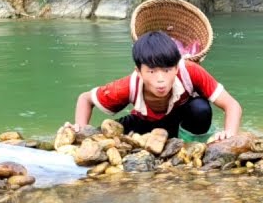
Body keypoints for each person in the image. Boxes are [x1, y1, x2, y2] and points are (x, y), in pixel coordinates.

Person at [69, 30, 242, 142]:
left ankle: (191, 145)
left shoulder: (190, 71)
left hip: (180, 121)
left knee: (201, 108)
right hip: (143, 123)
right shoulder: (128, 86)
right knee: (103, 137)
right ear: (139, 71)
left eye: (167, 70)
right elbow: (85, 99)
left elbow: (232, 105)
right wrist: (80, 131)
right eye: (151, 71)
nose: (161, 79)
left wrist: (229, 137)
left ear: (176, 67)